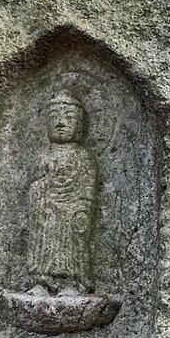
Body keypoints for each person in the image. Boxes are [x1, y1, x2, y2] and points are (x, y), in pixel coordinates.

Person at [25, 89, 99, 295]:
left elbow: (88, 187)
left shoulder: (83, 156)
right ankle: (42, 282)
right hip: (46, 211)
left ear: (79, 126)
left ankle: (72, 283)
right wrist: (42, 190)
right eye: (54, 117)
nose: (60, 122)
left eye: (69, 118)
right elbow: (34, 184)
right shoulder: (43, 156)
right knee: (42, 242)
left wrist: (81, 205)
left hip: (72, 210)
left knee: (72, 243)